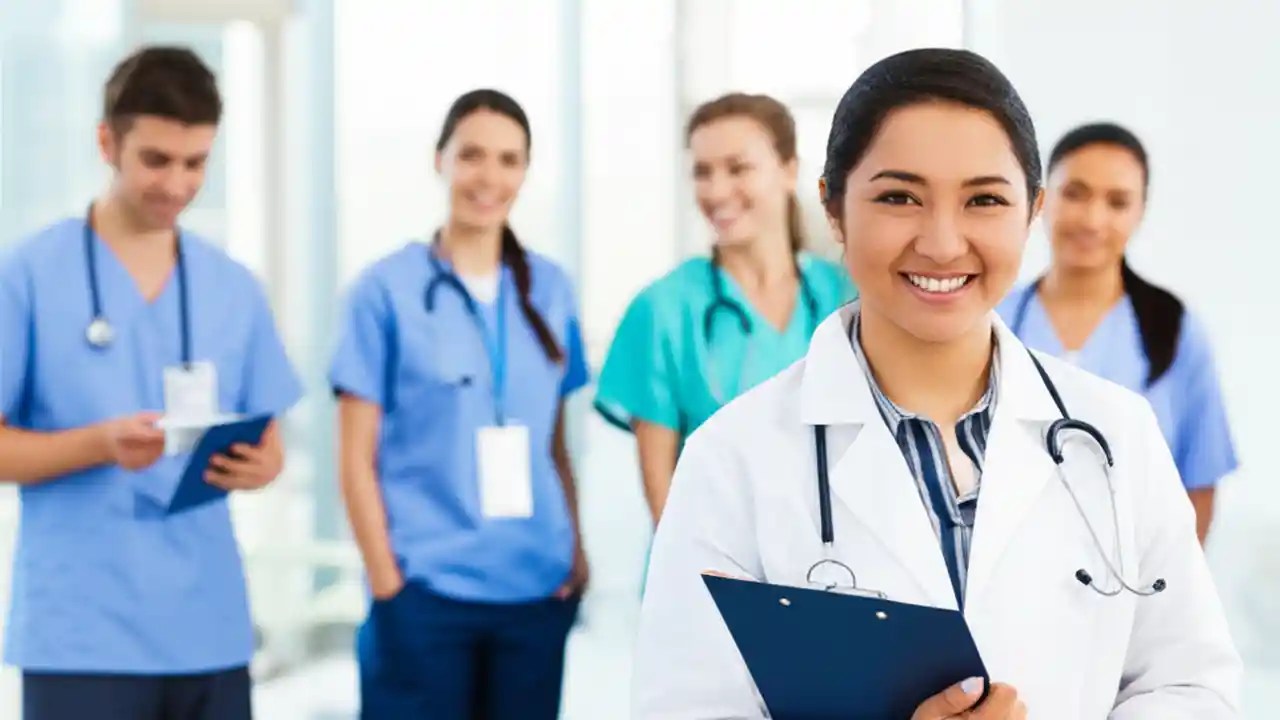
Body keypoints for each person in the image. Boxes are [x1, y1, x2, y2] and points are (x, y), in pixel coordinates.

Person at [632, 48, 1240, 719]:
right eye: (898, 197)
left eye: (984, 199)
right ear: (833, 208)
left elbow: (1192, 686)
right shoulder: (732, 458)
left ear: (1031, 210)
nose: (944, 243)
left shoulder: (1118, 435)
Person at [0, 46, 302, 720]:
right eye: (156, 161)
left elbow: (273, 445)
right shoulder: (27, 276)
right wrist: (99, 443)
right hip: (80, 637)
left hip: (208, 627)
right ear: (107, 142)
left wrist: (259, 466)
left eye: (196, 163)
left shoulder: (232, 287)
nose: (177, 184)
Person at [330, 89, 591, 720]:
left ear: (525, 172)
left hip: (533, 589)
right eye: (472, 155)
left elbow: (554, 441)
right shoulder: (384, 291)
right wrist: (389, 584)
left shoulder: (551, 289)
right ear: (439, 160)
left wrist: (575, 550)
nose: (489, 176)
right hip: (425, 594)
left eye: (509, 159)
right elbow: (354, 457)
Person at [594, 93, 856, 525]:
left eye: (738, 168)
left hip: (827, 565)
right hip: (710, 568)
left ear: (790, 172)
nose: (716, 191)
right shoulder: (663, 309)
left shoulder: (842, 295)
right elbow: (665, 505)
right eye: (702, 172)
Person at [997, 123, 1235, 544]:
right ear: (1041, 200)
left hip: (1134, 585)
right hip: (1007, 577)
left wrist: (1165, 598)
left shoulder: (1173, 328)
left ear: (1140, 213)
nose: (1092, 219)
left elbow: (1198, 483)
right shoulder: (995, 318)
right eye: (1075, 193)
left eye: (1117, 202)